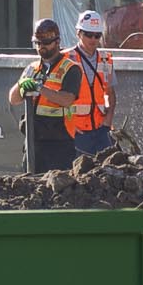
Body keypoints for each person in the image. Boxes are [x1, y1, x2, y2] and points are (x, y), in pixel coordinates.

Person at [14, 17, 80, 172]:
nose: (41, 47)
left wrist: (40, 88)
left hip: (59, 142)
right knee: (30, 182)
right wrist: (21, 85)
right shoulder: (32, 68)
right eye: (38, 43)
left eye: (45, 43)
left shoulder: (70, 68)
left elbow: (67, 99)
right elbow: (13, 99)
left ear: (57, 42)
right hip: (33, 140)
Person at [65, 9, 116, 157]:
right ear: (78, 33)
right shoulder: (65, 59)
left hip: (100, 130)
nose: (93, 39)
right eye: (88, 34)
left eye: (97, 35)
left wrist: (108, 121)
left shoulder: (106, 59)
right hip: (77, 132)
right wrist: (68, 125)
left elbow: (110, 93)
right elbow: (56, 97)